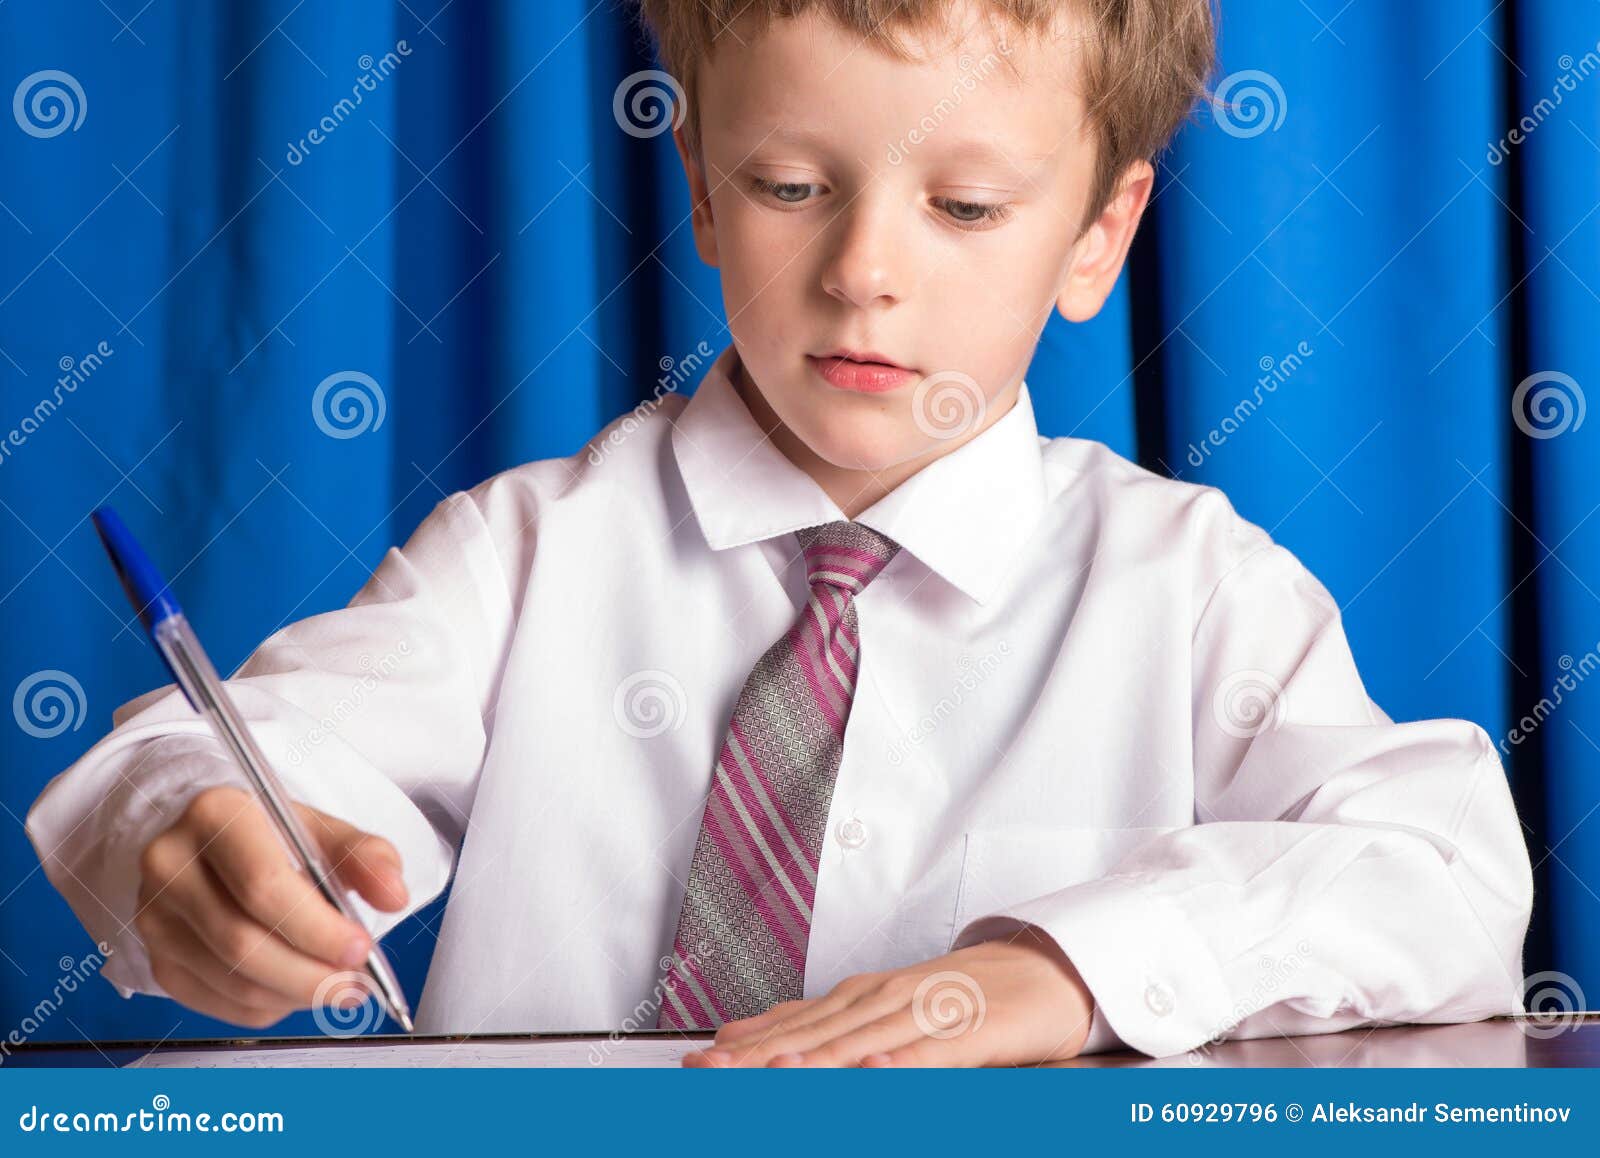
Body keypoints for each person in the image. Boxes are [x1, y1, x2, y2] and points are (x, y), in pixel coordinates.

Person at [26, 0, 1533, 1067]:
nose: (865, 269)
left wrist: (1069, 965)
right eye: (792, 185)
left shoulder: (1190, 586)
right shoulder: (529, 553)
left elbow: (1444, 872)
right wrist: (196, 825)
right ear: (694, 181)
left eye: (965, 205)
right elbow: (258, 749)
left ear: (1099, 236)